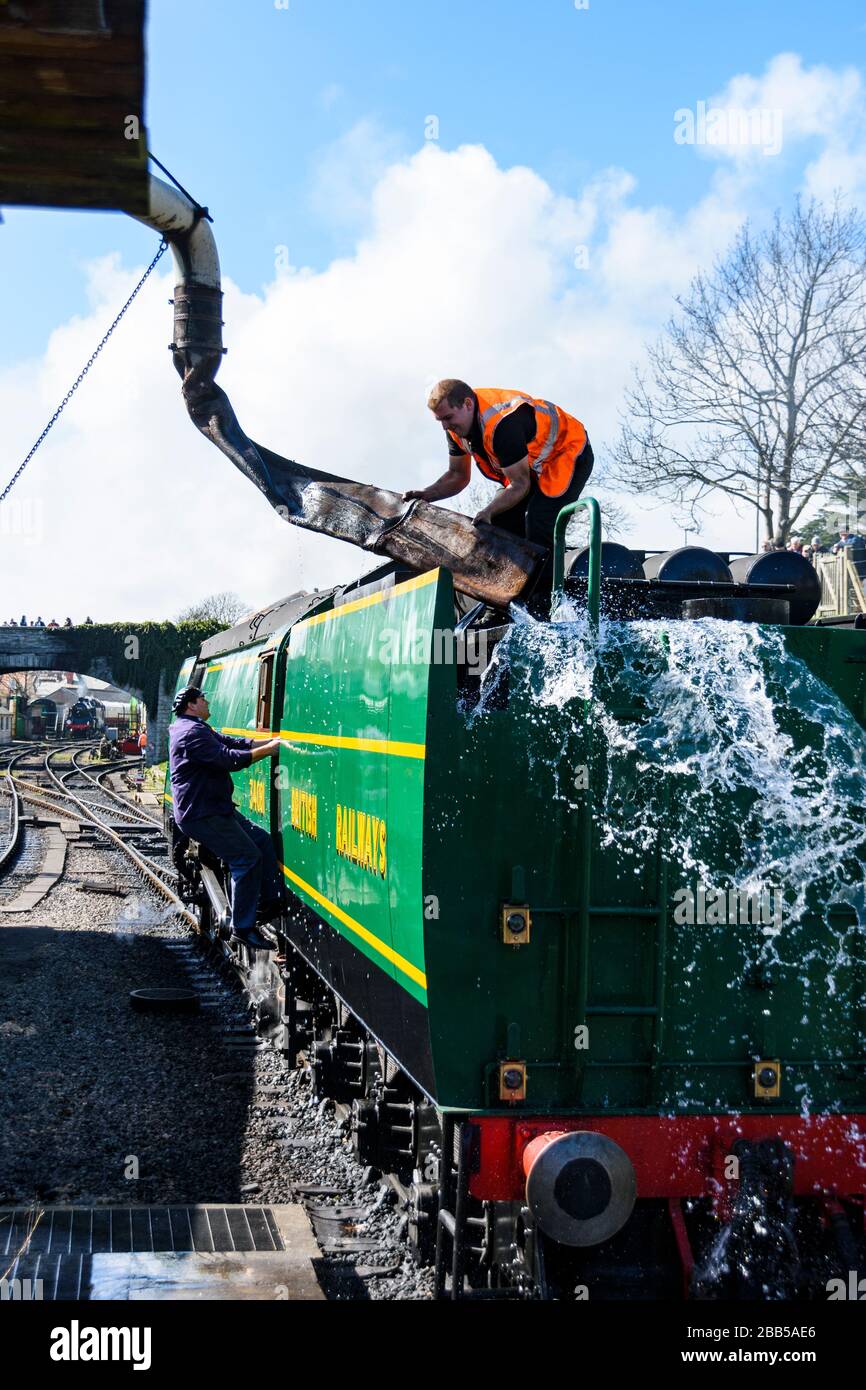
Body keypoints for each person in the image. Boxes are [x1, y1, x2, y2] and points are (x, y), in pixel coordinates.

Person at [405, 380, 593, 616]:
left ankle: (546, 604)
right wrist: (427, 494)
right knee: (501, 524)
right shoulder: (456, 429)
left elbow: (520, 484)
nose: (445, 426)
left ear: (467, 404)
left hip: (566, 453)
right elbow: (457, 475)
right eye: (440, 421)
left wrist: (489, 510)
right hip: (531, 468)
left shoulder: (503, 424)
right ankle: (504, 603)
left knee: (539, 520)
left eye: (448, 418)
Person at [169, 686, 283, 951]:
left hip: (215, 809)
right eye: (203, 699)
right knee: (246, 858)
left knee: (262, 841)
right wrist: (269, 751)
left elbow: (231, 742)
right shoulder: (191, 733)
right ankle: (242, 927)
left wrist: (269, 741)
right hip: (203, 814)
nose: (208, 702)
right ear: (192, 704)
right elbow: (228, 759)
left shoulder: (193, 727)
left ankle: (267, 903)